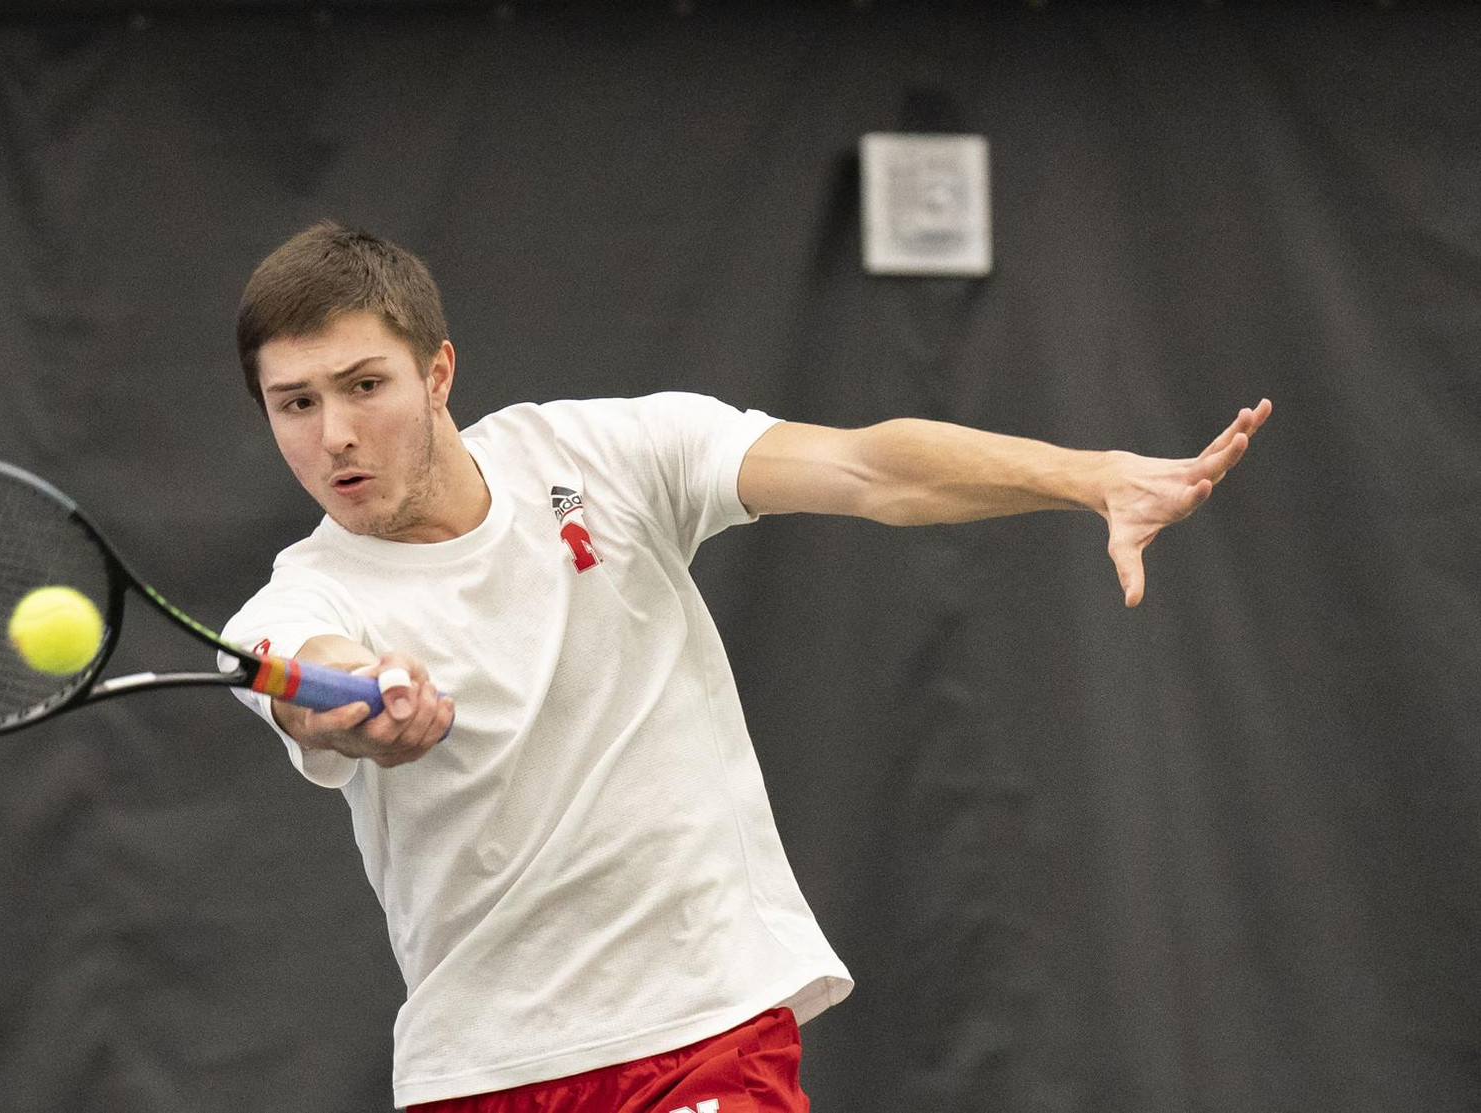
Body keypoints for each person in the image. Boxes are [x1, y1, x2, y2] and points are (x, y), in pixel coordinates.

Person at [219, 221, 1270, 1113]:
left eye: (366, 386)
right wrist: (356, 701)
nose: (338, 435)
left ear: (438, 371)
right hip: (476, 1068)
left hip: (702, 1027)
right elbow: (303, 672)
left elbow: (869, 466)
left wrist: (1090, 478)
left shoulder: (602, 461)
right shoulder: (302, 599)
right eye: (296, 404)